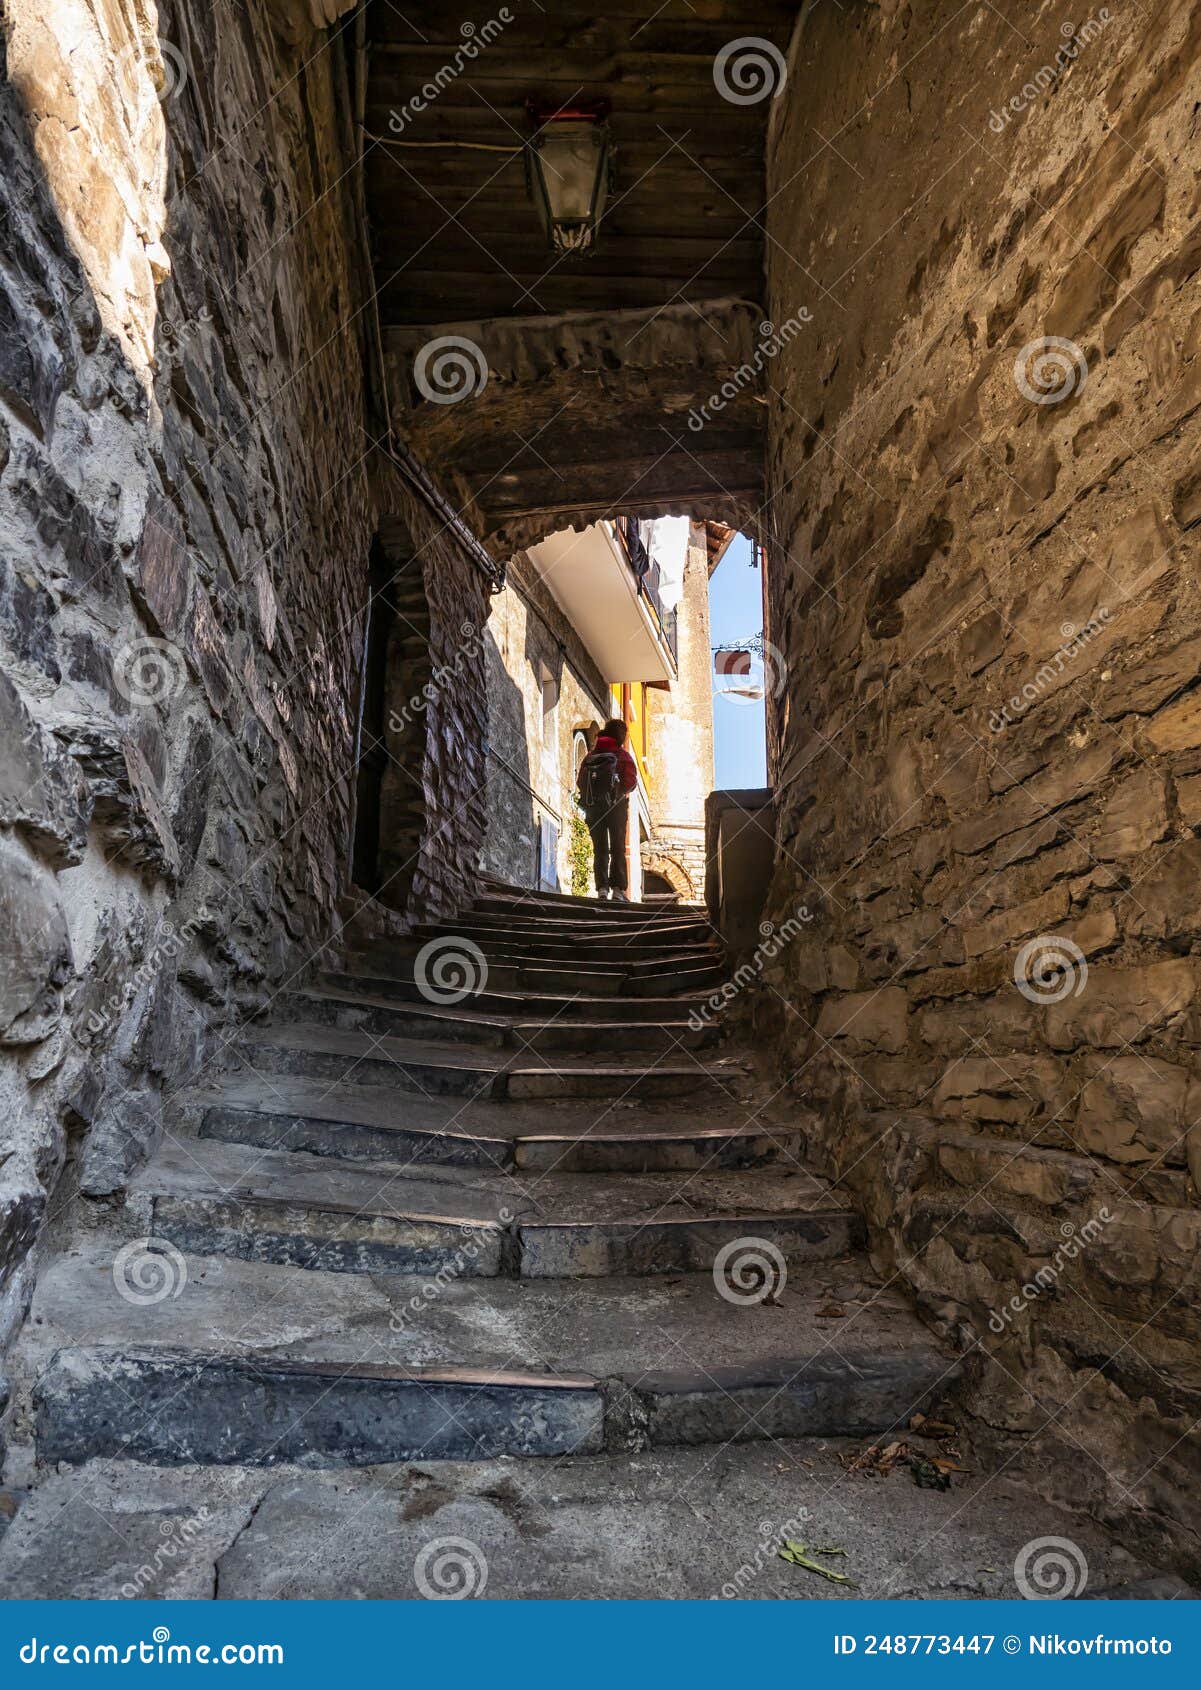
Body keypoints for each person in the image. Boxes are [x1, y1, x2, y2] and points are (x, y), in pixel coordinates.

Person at [576, 718, 637, 900]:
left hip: (594, 808)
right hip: (616, 807)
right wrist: (618, 792)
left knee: (599, 848)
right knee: (618, 847)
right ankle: (618, 890)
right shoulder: (621, 755)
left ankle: (602, 889)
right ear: (620, 735)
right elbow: (631, 781)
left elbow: (581, 781)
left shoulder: (591, 755)